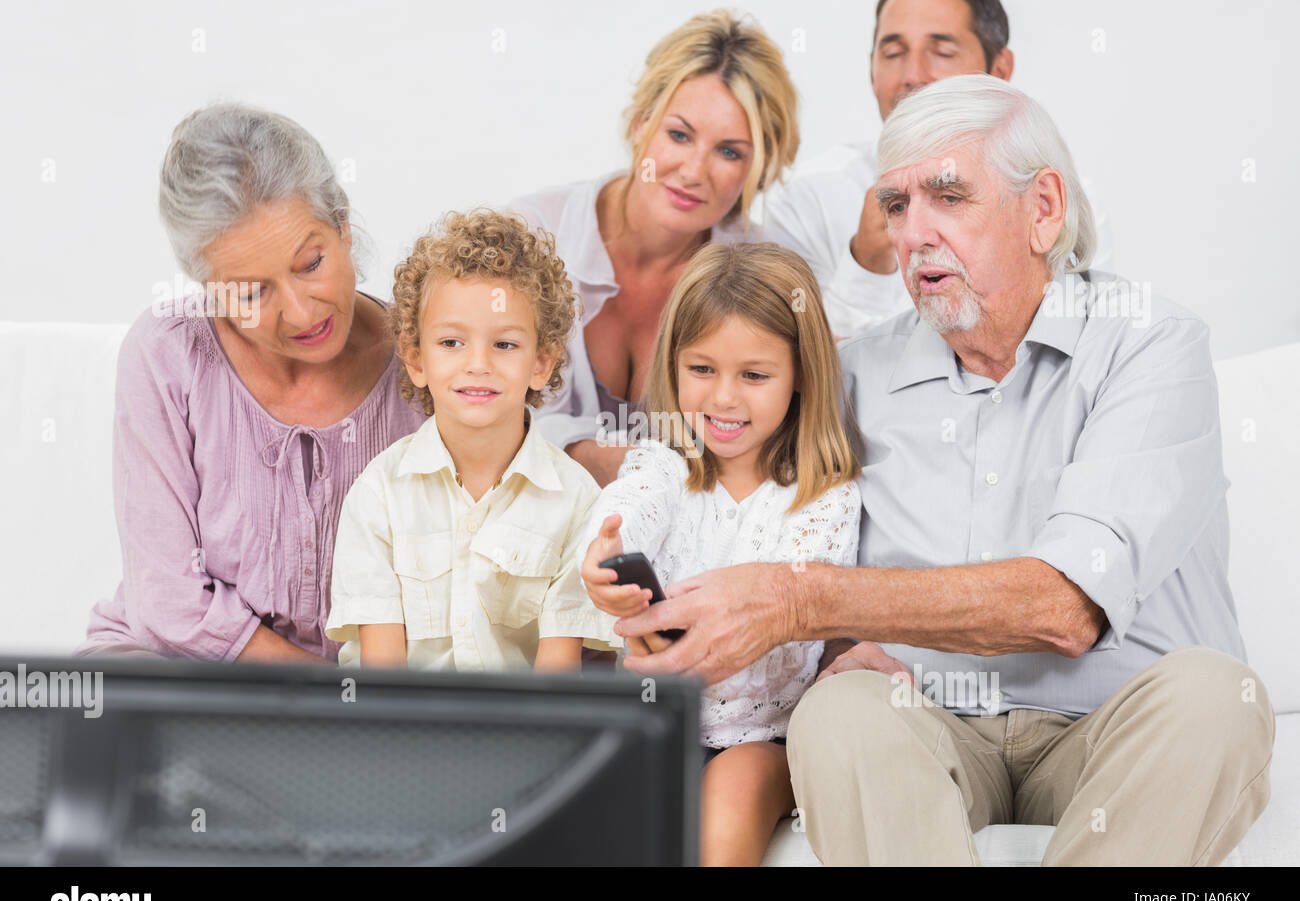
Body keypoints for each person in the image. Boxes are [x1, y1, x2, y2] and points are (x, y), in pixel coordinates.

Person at [613, 75, 1274, 866]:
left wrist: (802, 602)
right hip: (930, 726)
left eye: (948, 197)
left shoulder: (1151, 348)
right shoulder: (852, 376)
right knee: (839, 712)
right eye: (896, 206)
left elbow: (1065, 605)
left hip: (1111, 729)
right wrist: (628, 551)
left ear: (1045, 209)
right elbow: (726, 480)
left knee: (1214, 700)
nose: (914, 234)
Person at [80, 103, 428, 663]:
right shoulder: (167, 354)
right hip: (184, 670)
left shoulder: (430, 362)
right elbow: (168, 607)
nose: (298, 312)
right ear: (210, 289)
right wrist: (333, 702)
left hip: (377, 690)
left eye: (311, 263)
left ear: (342, 227)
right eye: (250, 293)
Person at [580, 243, 861, 866]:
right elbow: (628, 510)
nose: (724, 399)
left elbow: (791, 623)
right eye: (701, 369)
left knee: (726, 813)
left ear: (800, 377)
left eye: (754, 376)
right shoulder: (662, 464)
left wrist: (681, 640)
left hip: (764, 736)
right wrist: (606, 555)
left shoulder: (823, 496)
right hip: (660, 720)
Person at [508, 9, 799, 487]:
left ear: (757, 168)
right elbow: (489, 414)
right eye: (679, 134)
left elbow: (795, 428)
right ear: (641, 123)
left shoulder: (768, 270)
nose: (693, 171)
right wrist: (614, 462)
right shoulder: (532, 235)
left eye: (729, 151)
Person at [326, 210, 618, 671]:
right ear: (416, 358)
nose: (477, 363)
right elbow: (381, 685)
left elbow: (554, 689)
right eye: (451, 343)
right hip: (403, 736)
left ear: (541, 362)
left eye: (504, 344)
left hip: (523, 738)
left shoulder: (578, 502)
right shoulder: (378, 494)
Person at [762, 0, 1113, 338]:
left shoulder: (1053, 200)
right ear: (871, 70)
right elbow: (804, 375)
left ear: (1000, 71)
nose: (913, 76)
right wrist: (866, 264)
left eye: (942, 52)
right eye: (893, 54)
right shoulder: (806, 198)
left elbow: (1074, 353)